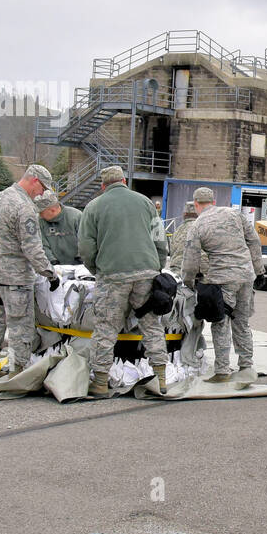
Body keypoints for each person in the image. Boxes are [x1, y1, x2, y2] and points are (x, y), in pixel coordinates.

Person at [79, 166, 170, 396]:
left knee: (106, 328)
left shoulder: (93, 207)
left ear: (103, 185)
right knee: (151, 325)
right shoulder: (146, 203)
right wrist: (157, 267)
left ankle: (100, 381)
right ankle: (161, 379)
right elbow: (159, 239)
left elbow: (86, 246)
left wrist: (96, 269)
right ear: (124, 181)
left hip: (112, 275)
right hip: (146, 273)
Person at [0, 165, 58, 380]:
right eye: (42, 188)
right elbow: (32, 247)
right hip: (14, 276)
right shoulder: (24, 207)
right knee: (20, 324)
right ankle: (18, 371)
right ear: (34, 181)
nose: (41, 194)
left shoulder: (0, 198)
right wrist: (50, 273)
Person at [180, 186, 265, 384]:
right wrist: (259, 270)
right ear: (213, 201)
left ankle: (222, 370)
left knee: (220, 322)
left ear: (196, 204)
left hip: (223, 279)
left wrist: (188, 282)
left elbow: (190, 261)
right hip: (246, 275)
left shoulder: (198, 225)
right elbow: (254, 240)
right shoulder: (234, 214)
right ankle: (246, 365)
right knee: (242, 321)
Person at [35, 190, 83, 265]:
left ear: (52, 210)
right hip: (54, 267)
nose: (40, 215)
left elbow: (85, 240)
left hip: (79, 266)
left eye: (41, 212)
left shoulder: (76, 216)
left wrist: (80, 258)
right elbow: (42, 244)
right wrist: (52, 261)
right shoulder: (40, 221)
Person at [166, 200, 199, 274]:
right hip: (192, 274)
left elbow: (171, 251)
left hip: (175, 272)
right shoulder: (202, 228)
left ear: (184, 214)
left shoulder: (178, 230)